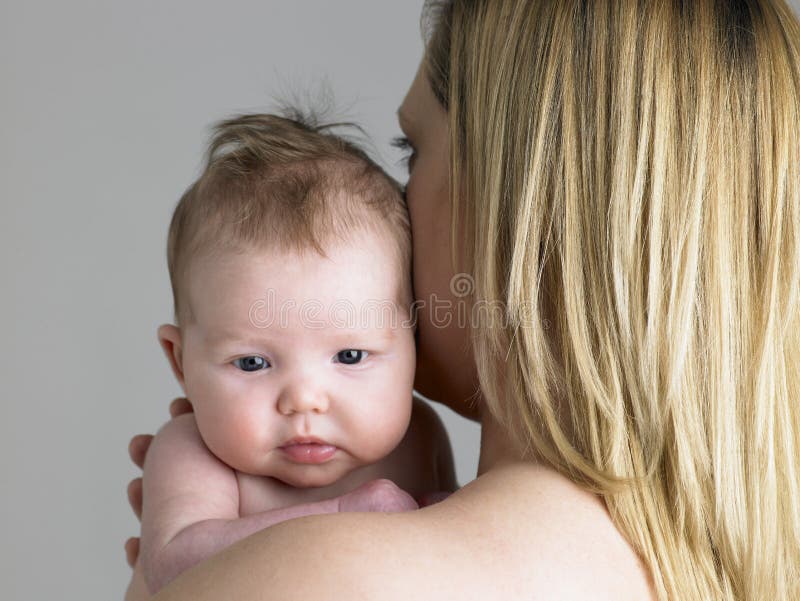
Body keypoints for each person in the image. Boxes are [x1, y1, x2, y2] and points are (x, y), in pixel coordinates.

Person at [125, 1, 800, 599]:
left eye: (411, 151)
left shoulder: (327, 576)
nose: (395, 203)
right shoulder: (729, 559)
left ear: (518, 203)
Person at [139, 113, 458, 593]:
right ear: (180, 362)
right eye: (253, 363)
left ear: (413, 341)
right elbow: (173, 564)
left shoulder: (419, 436)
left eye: (350, 356)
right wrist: (339, 516)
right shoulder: (195, 453)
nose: (305, 400)